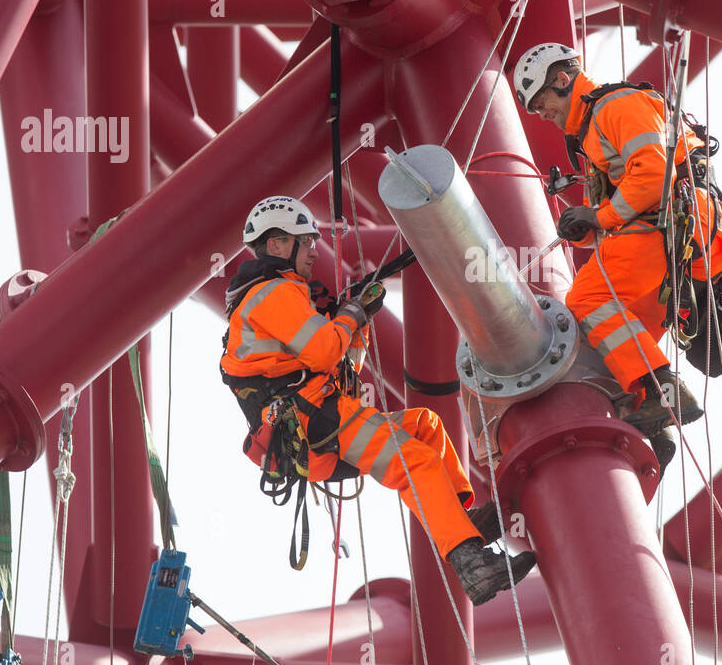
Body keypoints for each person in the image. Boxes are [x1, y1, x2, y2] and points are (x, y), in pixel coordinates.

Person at [220, 196, 535, 606]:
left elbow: (345, 365)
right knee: (414, 460)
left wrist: (357, 321)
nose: (315, 250)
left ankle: (461, 523)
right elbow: (321, 353)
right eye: (305, 241)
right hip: (315, 419)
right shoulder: (272, 294)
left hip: (319, 418)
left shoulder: (282, 296)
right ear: (277, 244)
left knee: (426, 425)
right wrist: (350, 312)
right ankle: (472, 565)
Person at [513, 43, 722, 447]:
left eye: (541, 101)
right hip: (679, 236)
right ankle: (654, 428)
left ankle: (660, 392)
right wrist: (584, 227)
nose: (540, 113)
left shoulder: (614, 107)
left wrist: (598, 218)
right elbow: (626, 195)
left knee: (587, 300)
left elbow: (654, 174)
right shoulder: (593, 129)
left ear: (562, 80)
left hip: (671, 225)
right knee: (618, 339)